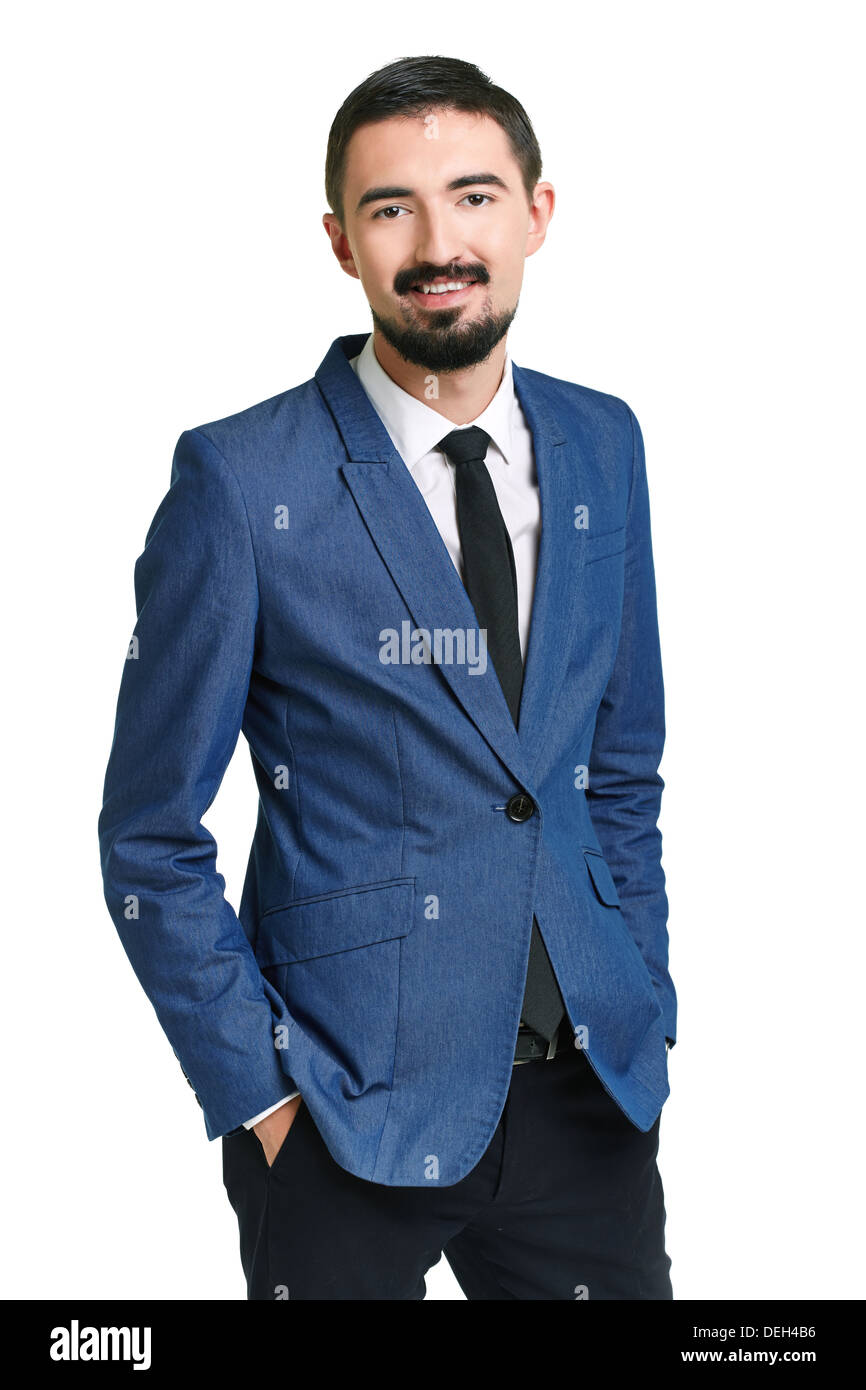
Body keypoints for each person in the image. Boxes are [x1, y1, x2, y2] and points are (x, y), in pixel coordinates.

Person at [98, 54, 676, 1300]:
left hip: (589, 1100)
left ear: (536, 213)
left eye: (472, 196)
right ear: (338, 240)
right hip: (342, 1116)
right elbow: (147, 833)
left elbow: (615, 771)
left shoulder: (602, 442)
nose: (436, 242)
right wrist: (258, 1097)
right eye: (389, 208)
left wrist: (646, 1002)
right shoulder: (242, 481)